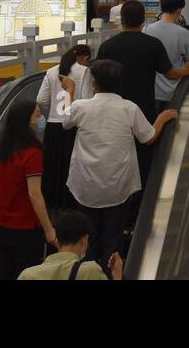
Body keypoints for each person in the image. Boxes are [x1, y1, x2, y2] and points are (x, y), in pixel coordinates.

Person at [63, 59, 178, 273]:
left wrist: (69, 92)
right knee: (113, 239)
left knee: (87, 239)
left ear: (94, 83)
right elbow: (148, 137)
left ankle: (87, 274)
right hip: (119, 187)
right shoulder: (129, 108)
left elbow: (65, 120)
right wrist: (162, 118)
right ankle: (111, 275)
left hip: (85, 187)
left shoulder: (81, 107)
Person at [97, 0, 189, 180]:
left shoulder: (107, 46)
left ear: (122, 20)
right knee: (143, 151)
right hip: (144, 106)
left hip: (111, 109)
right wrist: (187, 71)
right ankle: (142, 191)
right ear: (143, 20)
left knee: (115, 146)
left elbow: (95, 77)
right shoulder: (152, 44)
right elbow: (170, 73)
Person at [0, 100, 56, 280]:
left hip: (4, 224)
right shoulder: (32, 154)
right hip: (26, 228)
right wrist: (49, 229)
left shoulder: (4, 150)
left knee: (5, 270)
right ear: (25, 120)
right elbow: (34, 194)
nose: (40, 119)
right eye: (36, 115)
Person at [32, 43, 93, 210]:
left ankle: (52, 209)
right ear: (85, 58)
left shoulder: (52, 71)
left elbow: (42, 99)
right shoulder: (84, 71)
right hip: (73, 127)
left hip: (53, 128)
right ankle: (70, 207)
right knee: (70, 169)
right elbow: (87, 101)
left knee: (52, 169)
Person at [19, 210, 120, 281]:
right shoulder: (89, 271)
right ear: (84, 241)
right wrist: (117, 276)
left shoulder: (28, 275)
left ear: (57, 241)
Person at [146, 0, 189, 119]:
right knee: (171, 132)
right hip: (175, 92)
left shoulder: (146, 29)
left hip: (152, 91)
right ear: (179, 10)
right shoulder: (183, 33)